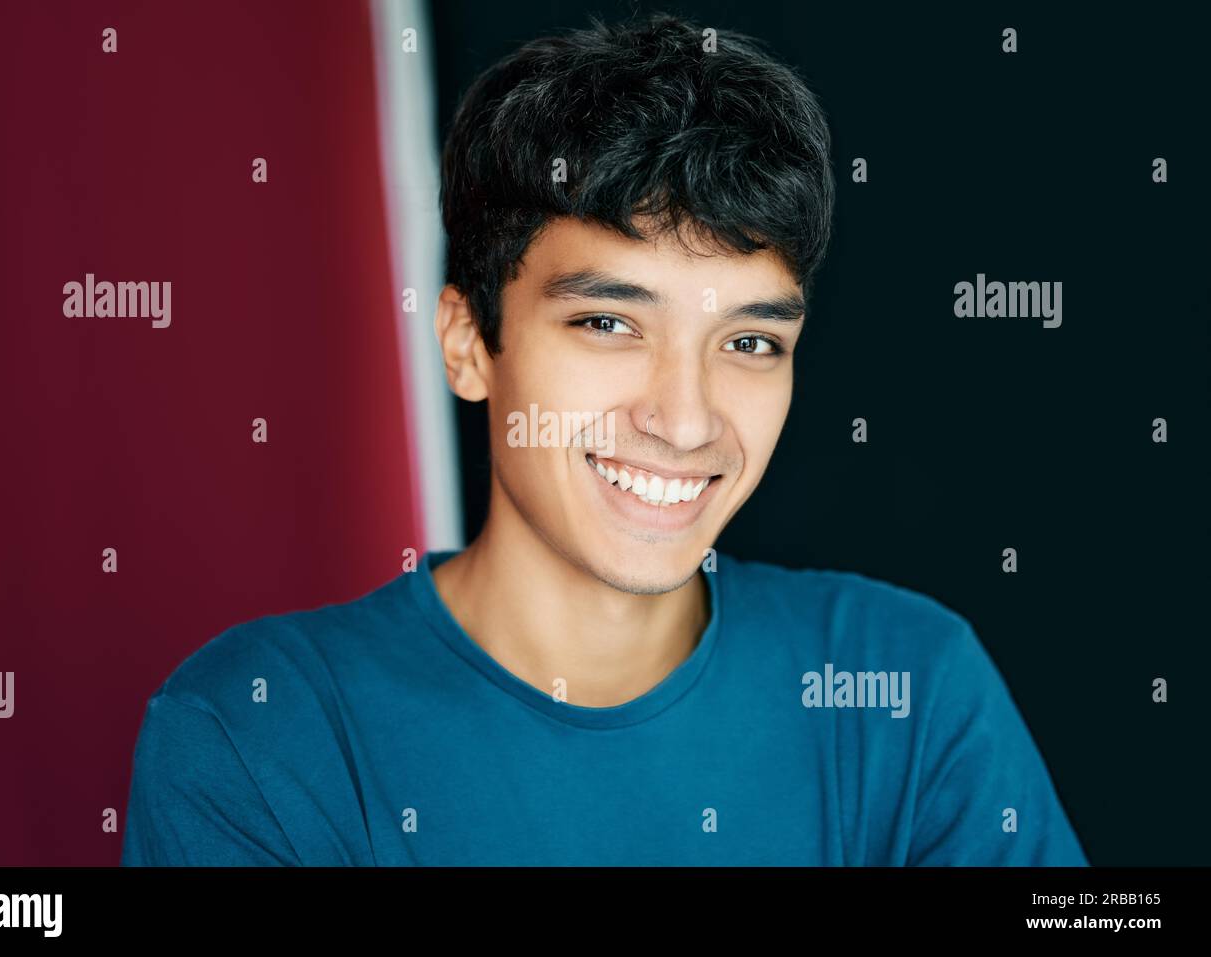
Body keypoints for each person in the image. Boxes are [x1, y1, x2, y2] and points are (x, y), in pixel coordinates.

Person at [121, 13, 1087, 866]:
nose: (686, 420)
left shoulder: (905, 686)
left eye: (750, 341)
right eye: (608, 323)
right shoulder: (259, 730)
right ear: (468, 343)